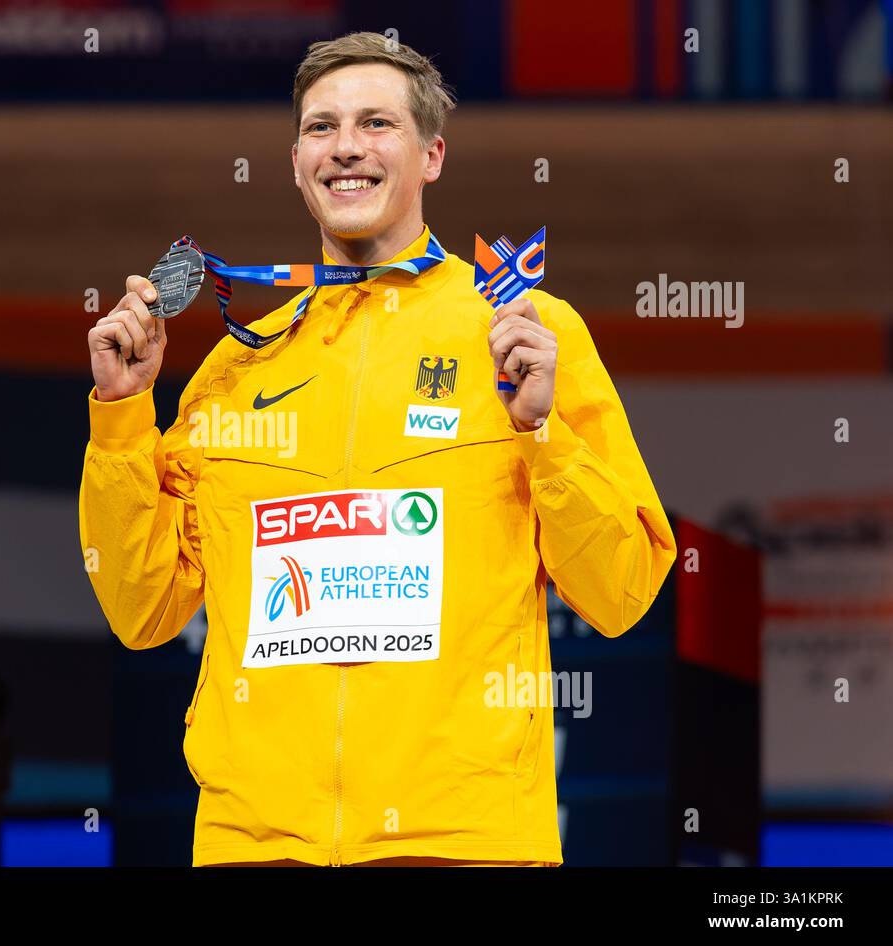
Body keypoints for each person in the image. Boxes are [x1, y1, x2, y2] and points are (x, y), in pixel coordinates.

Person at [79, 31, 675, 867]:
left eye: (376, 125)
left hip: (463, 845)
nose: (346, 147)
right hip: (253, 846)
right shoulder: (236, 368)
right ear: (294, 162)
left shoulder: (521, 334)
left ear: (432, 155)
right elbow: (142, 610)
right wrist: (120, 411)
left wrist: (541, 435)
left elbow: (620, 589)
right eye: (321, 128)